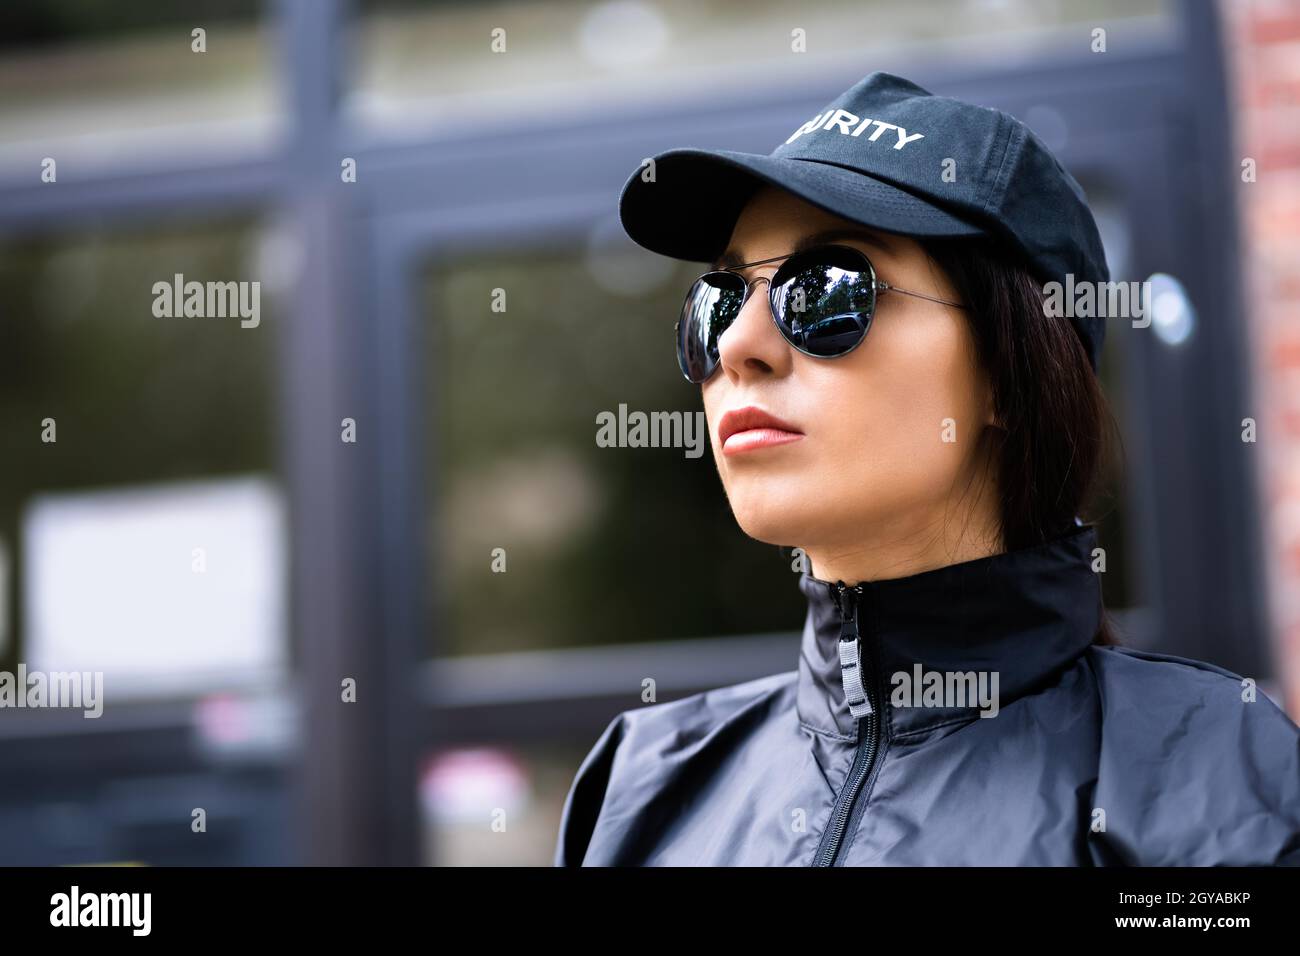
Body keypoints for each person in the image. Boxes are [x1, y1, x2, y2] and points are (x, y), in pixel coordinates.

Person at [553, 72, 1300, 866]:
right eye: (720, 300)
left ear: (1008, 373)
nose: (738, 345)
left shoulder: (1215, 775)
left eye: (827, 290)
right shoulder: (642, 787)